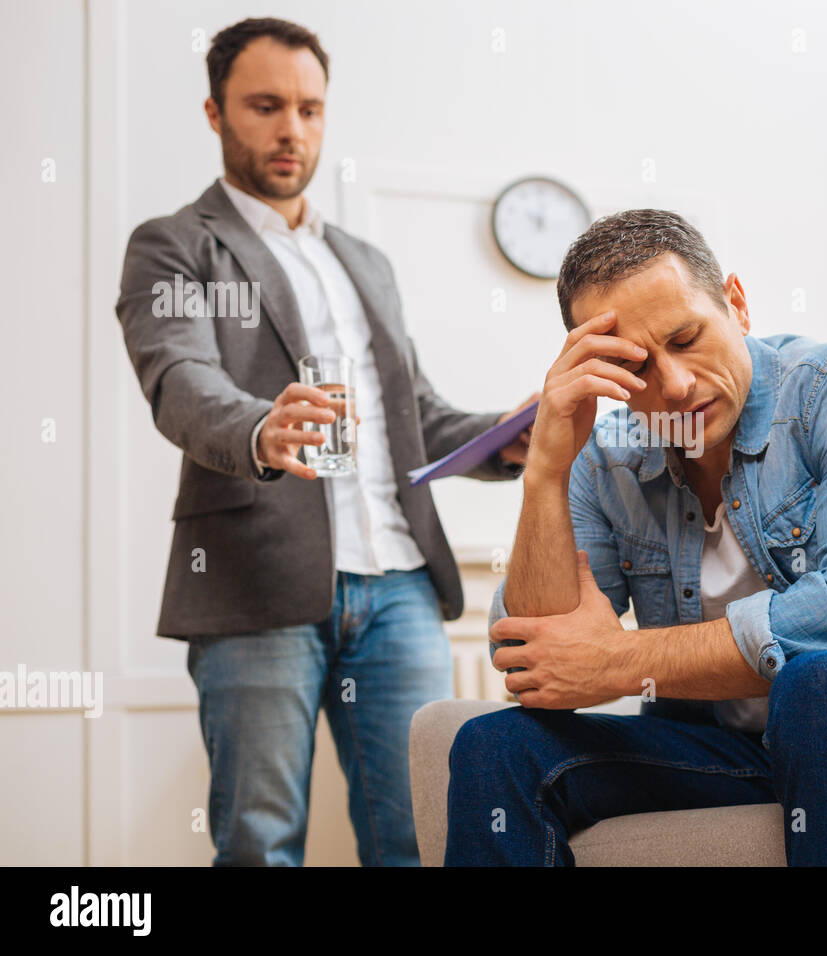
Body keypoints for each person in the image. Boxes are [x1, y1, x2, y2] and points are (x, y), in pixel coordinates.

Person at [443, 208, 827, 865]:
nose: (676, 385)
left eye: (687, 338)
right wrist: (546, 471)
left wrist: (620, 662)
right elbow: (537, 656)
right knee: (493, 746)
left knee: (819, 682)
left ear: (738, 306)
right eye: (636, 368)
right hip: (739, 748)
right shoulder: (606, 458)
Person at [114, 17, 535, 866]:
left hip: (403, 591)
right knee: (260, 843)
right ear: (214, 112)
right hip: (254, 583)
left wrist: (508, 435)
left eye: (309, 108)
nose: (291, 129)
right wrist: (261, 426)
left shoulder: (363, 260)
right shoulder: (172, 246)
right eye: (265, 106)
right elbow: (180, 380)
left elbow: (412, 412)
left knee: (422, 836)